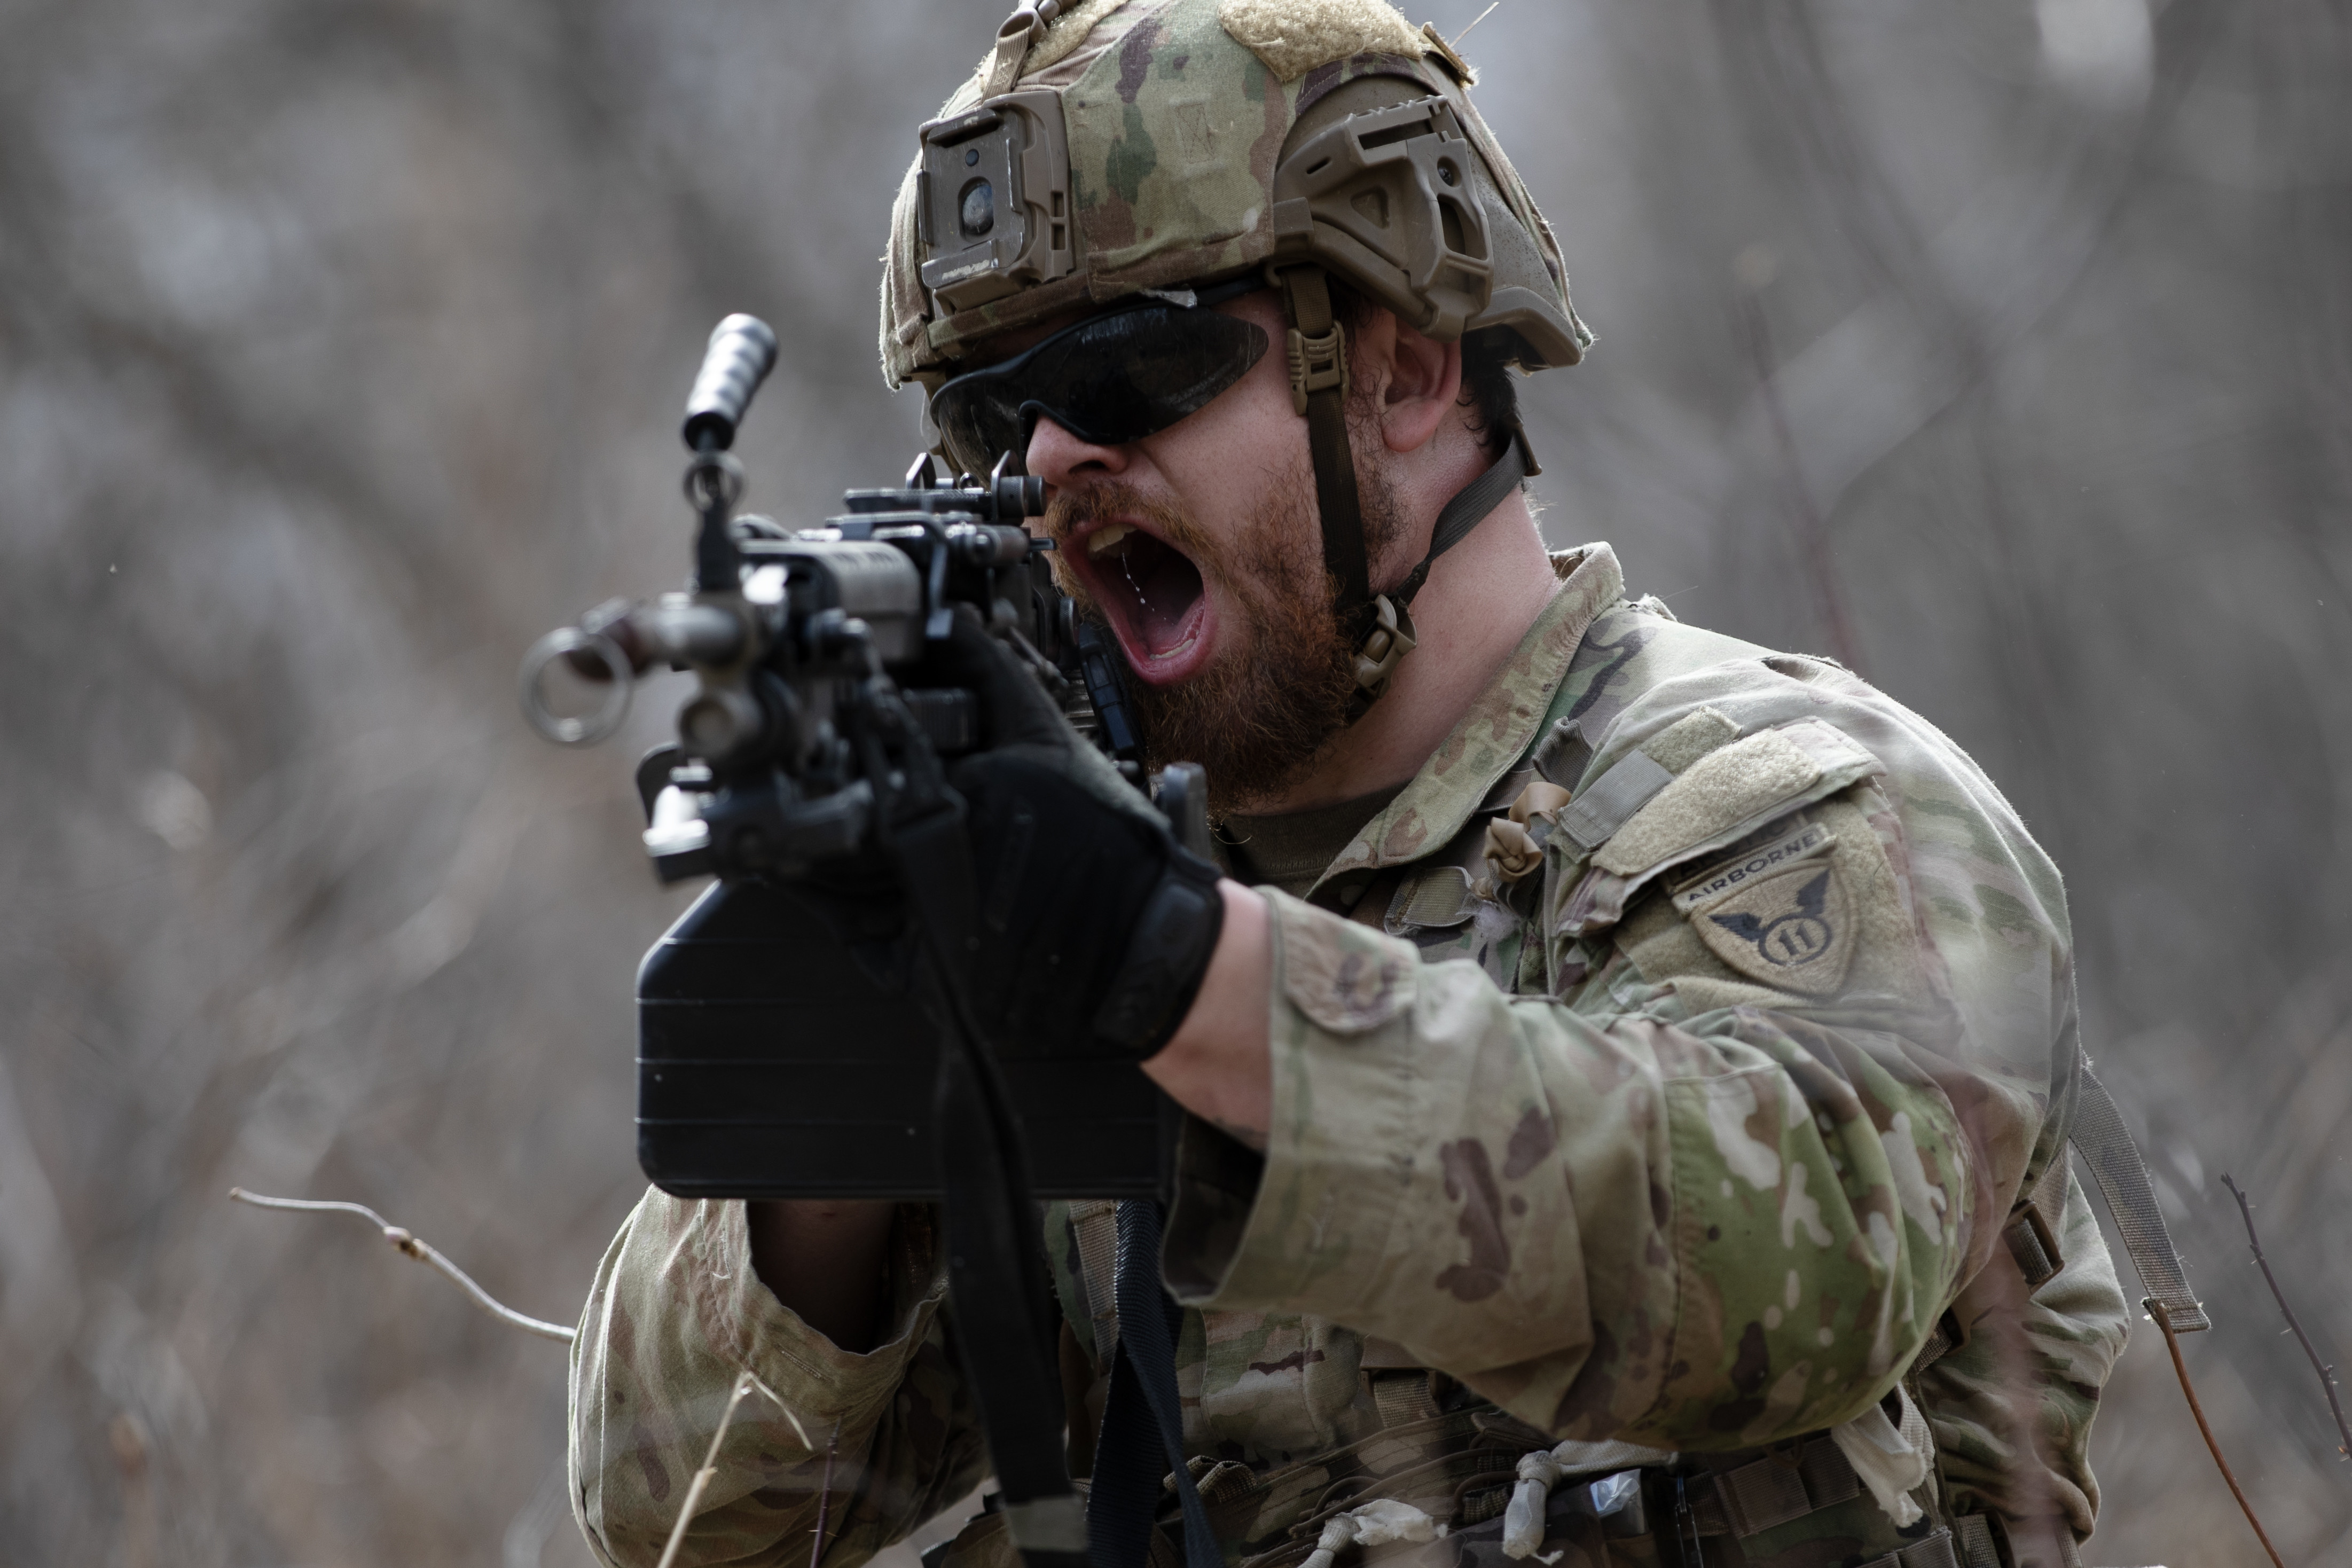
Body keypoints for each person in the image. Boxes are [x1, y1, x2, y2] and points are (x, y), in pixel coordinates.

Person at [568, 4, 2131, 1566]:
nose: (1044, 465)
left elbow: (1791, 1269)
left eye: (1127, 372)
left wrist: (1171, 968)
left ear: (1402, 370)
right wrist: (860, 1028)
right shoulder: (1070, 884)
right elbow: (677, 1510)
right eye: (986, 417)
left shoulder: (1790, 805)